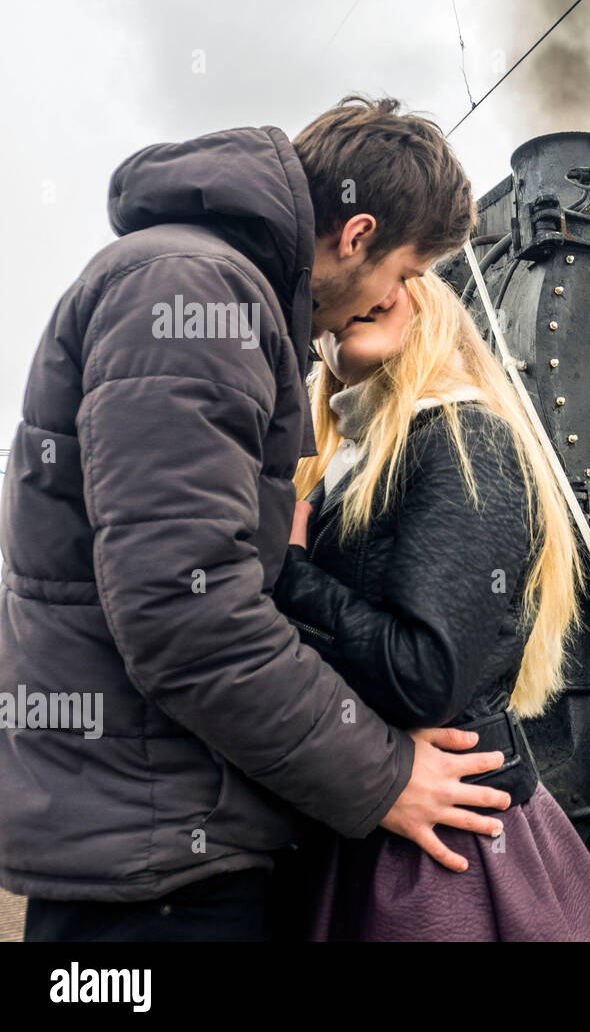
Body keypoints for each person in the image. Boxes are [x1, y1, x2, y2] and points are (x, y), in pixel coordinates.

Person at [1, 96, 514, 942]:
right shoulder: (196, 293)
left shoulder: (201, 284)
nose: (401, 299)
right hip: (158, 862)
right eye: (407, 273)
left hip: (157, 826)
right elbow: (186, 612)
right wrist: (385, 775)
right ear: (355, 236)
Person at [270, 272, 590, 941]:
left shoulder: (465, 435)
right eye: (335, 302)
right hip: (380, 824)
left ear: (437, 304)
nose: (366, 297)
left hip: (444, 854)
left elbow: (425, 676)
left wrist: (292, 575)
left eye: (394, 279)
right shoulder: (351, 459)